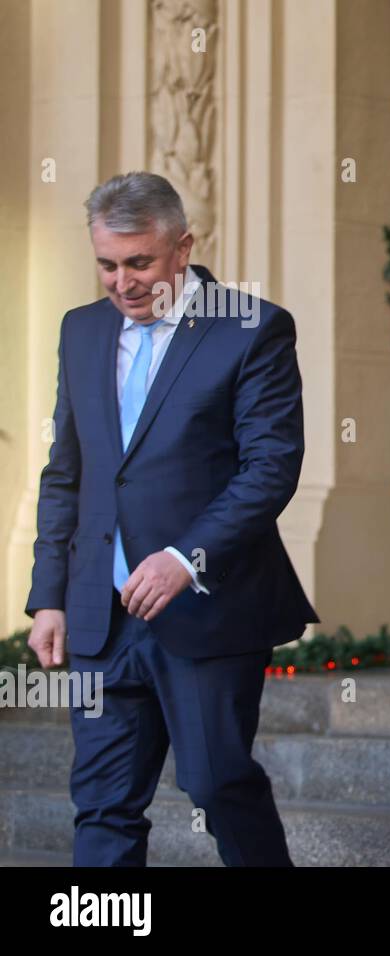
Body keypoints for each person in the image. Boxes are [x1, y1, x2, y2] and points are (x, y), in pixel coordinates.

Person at [24, 171, 317, 866]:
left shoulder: (252, 328)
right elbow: (67, 472)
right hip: (101, 613)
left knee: (217, 784)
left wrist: (185, 557)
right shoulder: (80, 331)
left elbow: (270, 467)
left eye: (139, 262)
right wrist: (49, 597)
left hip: (207, 611)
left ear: (182, 247)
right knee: (101, 805)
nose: (121, 282)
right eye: (106, 264)